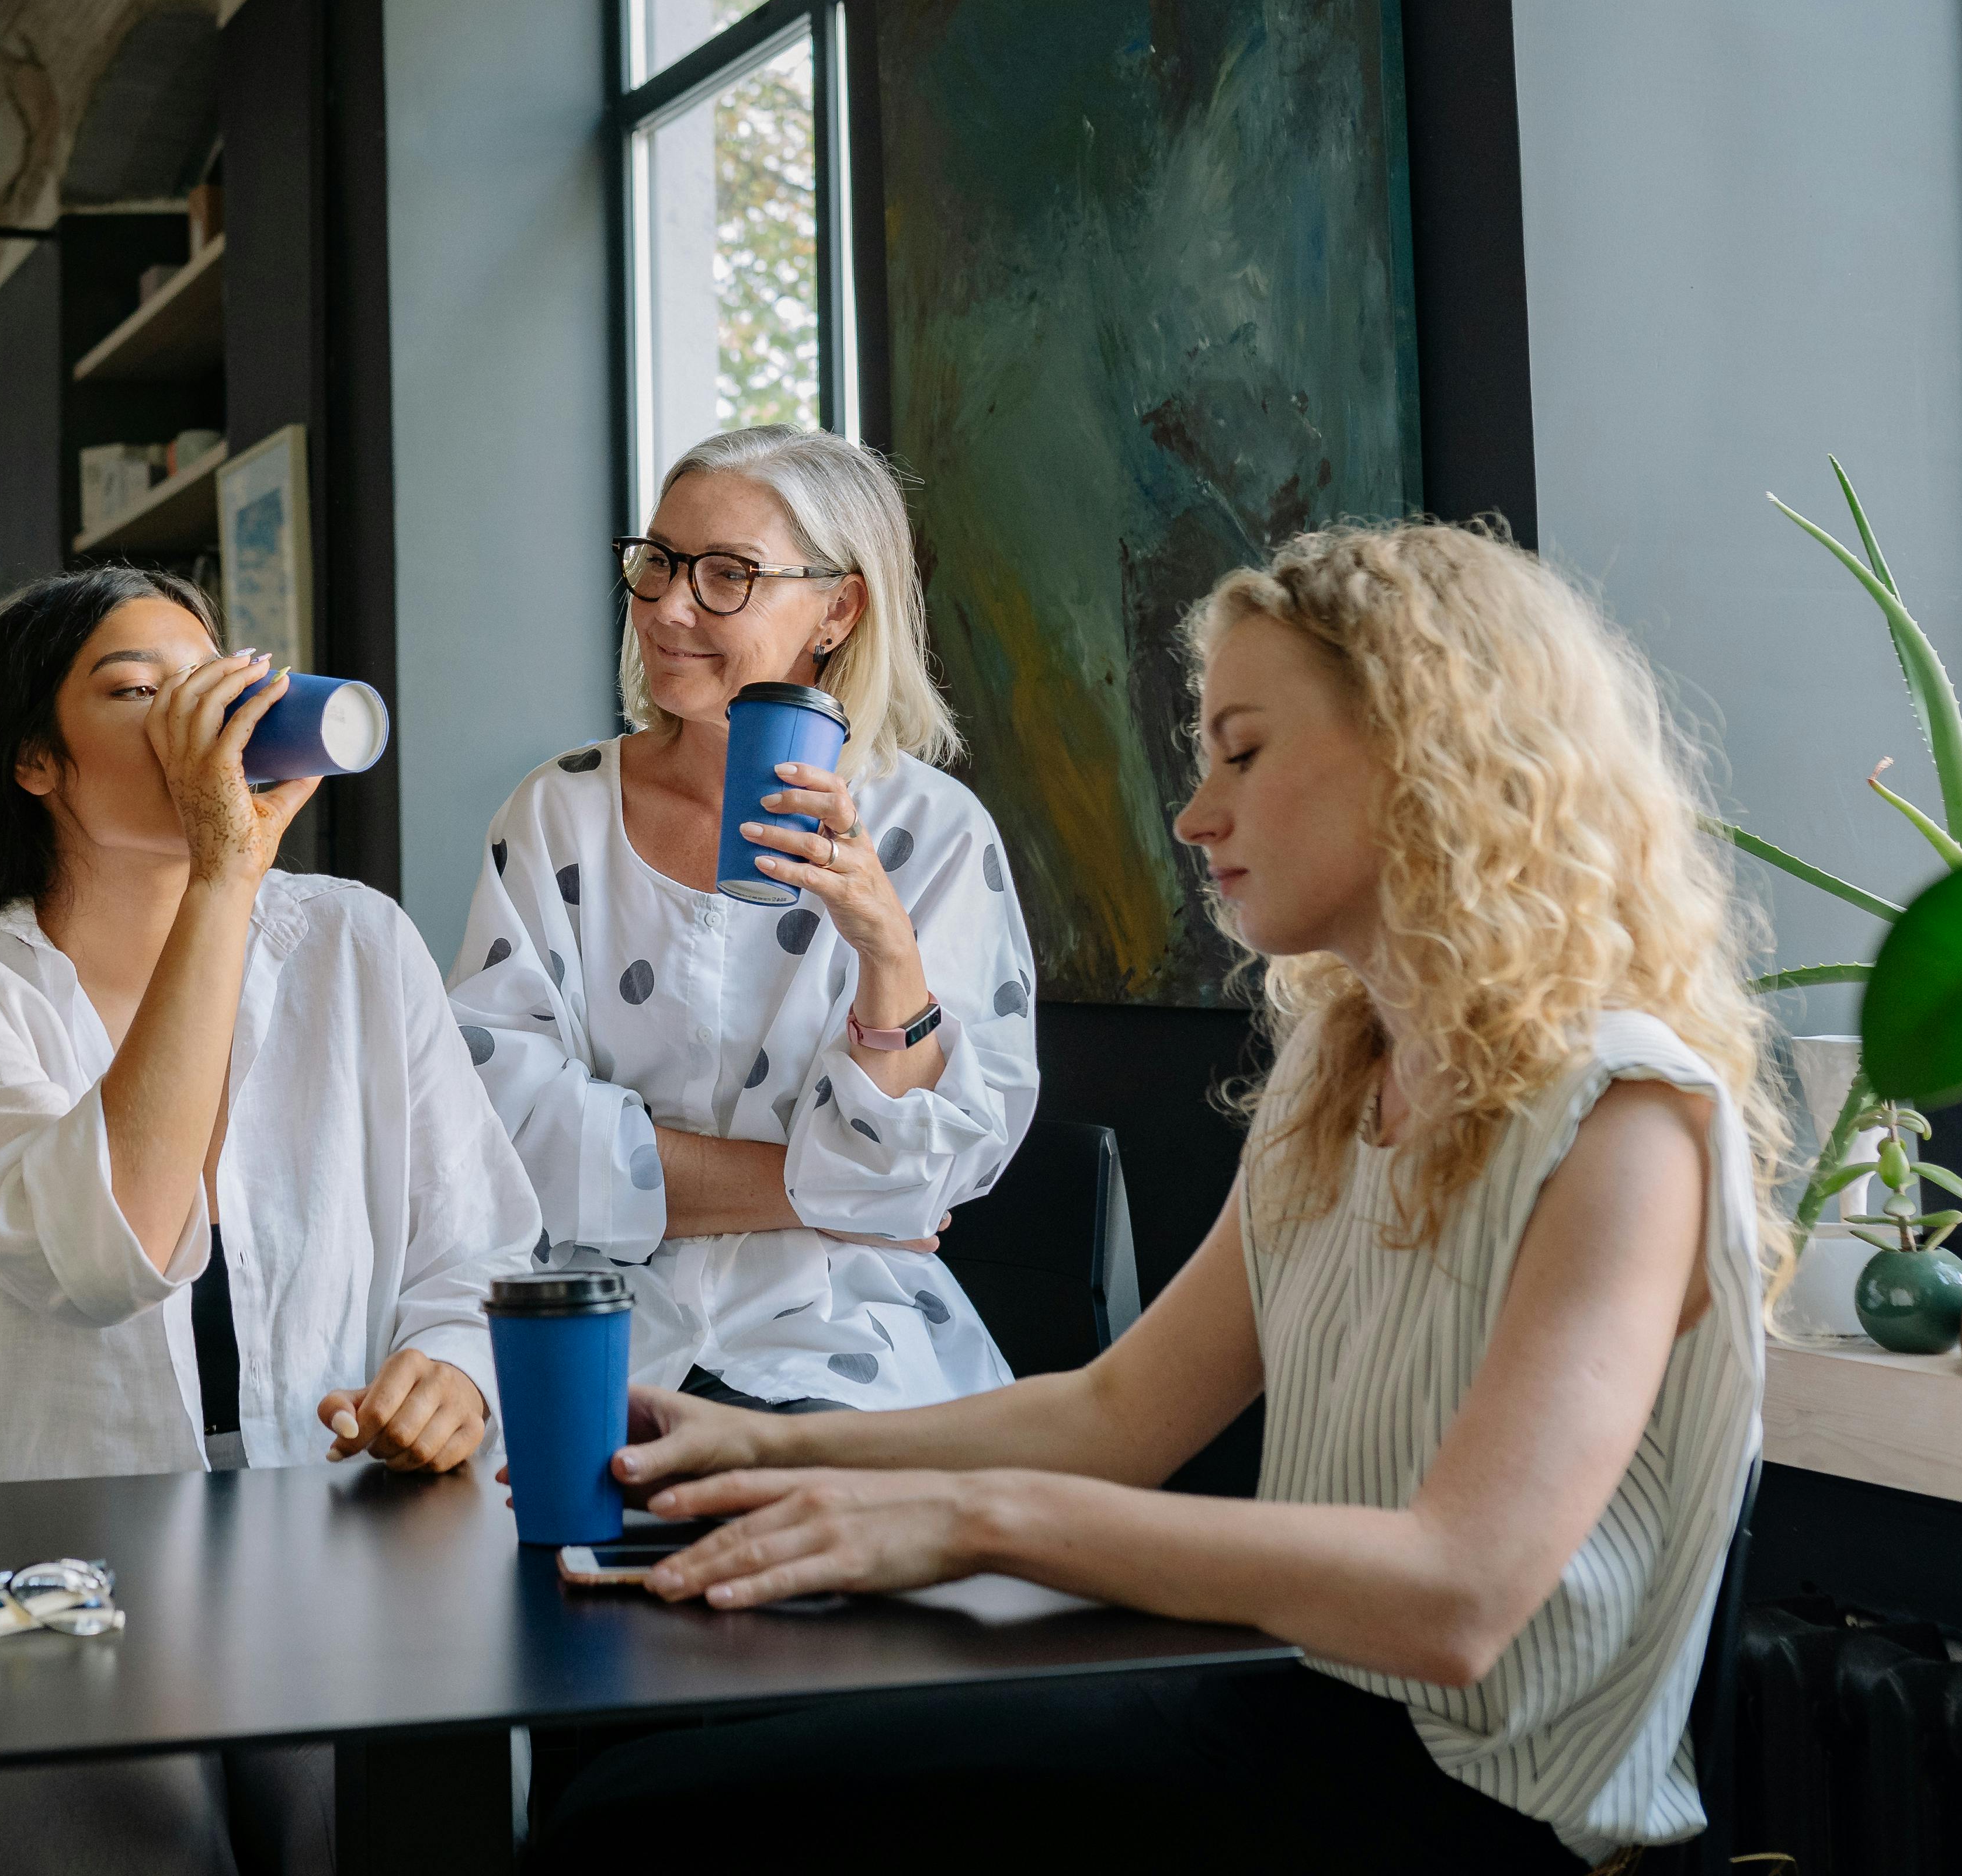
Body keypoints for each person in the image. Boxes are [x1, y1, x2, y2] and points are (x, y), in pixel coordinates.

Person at [532, 522, 1785, 1874]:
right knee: (635, 1780)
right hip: (1300, 1716)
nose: (1197, 812)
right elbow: (1116, 1413)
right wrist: (762, 1446)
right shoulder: (1340, 1069)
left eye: (1243, 750)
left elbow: (1458, 1593)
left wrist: (966, 1521)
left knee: (646, 1828)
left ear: (1434, 750)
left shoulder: (1625, 1118)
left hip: (1481, 1824)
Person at [0, 565, 543, 1876]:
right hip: (45, 1567)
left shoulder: (356, 945)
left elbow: (478, 1243)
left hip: (331, 1533)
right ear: (37, 758)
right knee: (146, 1833)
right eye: (137, 692)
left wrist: (454, 1371)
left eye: (211, 684)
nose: (193, 720)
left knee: (402, 1810)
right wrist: (223, 879)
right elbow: (110, 1251)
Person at [450, 425, 1040, 1413]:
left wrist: (888, 950)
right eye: (659, 563)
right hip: (592, 1323)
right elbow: (504, 1131)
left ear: (838, 608)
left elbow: (932, 1166)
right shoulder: (560, 813)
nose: (671, 606)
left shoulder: (931, 834)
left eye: (729, 574)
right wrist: (830, 1195)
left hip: (842, 1328)